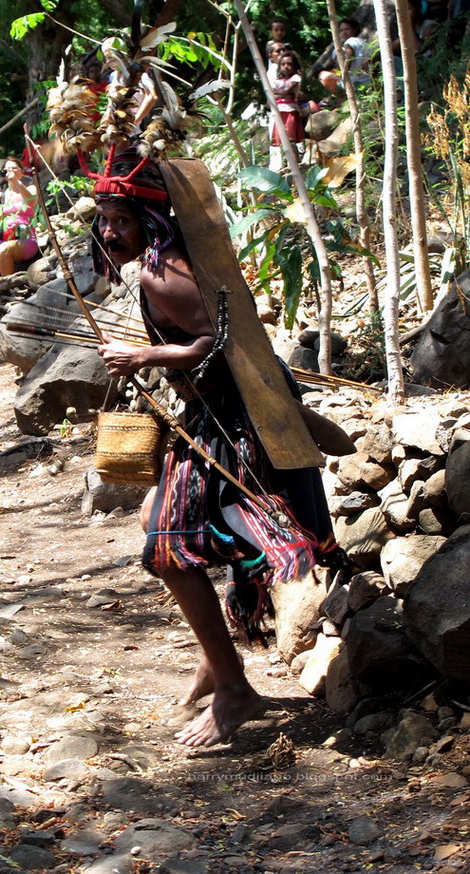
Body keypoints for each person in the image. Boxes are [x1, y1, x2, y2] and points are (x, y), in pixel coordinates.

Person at [91, 150, 348, 747]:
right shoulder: (171, 263)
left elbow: (215, 338)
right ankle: (217, 658)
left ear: (150, 222)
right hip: (229, 410)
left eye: (121, 221)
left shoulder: (165, 273)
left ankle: (234, 690)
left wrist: (145, 355)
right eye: (104, 220)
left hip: (237, 420)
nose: (109, 232)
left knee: (167, 548)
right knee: (172, 528)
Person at [0, 157, 39, 282]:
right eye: (6, 169)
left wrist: (17, 183)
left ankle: (11, 289)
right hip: (3, 238)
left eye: (13, 168)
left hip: (25, 238)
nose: (9, 171)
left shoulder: (30, 188)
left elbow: (32, 201)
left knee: (4, 250)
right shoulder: (3, 193)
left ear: (22, 172)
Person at [312, 18, 371, 95]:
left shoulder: (351, 41)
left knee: (322, 75)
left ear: (355, 29)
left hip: (355, 82)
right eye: (341, 30)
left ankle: (342, 97)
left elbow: (348, 59)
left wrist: (342, 74)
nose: (344, 32)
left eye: (347, 29)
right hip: (367, 81)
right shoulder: (364, 43)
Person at [269, 50, 305, 171]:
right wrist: (282, 94)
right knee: (282, 140)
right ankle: (286, 164)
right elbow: (271, 97)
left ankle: (295, 164)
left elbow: (287, 91)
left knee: (290, 139)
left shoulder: (296, 78)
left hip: (290, 111)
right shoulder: (277, 81)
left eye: (289, 64)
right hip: (279, 112)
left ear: (294, 66)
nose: (286, 66)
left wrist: (277, 94)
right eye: (283, 64)